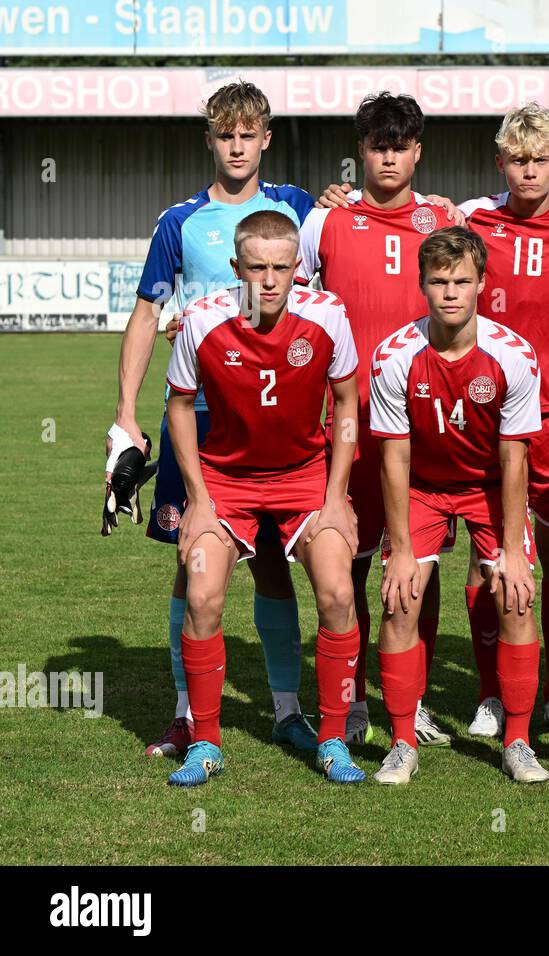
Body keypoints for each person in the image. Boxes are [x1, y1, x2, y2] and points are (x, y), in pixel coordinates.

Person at [107, 81, 319, 759]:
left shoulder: (298, 208)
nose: (236, 144)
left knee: (275, 565)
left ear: (265, 138)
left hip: (280, 419)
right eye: (224, 134)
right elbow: (147, 313)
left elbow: (343, 276)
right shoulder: (180, 221)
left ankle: (286, 711)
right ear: (210, 141)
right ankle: (185, 715)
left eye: (248, 133)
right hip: (195, 418)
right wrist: (123, 417)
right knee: (193, 562)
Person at [163, 210, 365, 786]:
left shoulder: (327, 315)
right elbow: (180, 406)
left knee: (337, 592)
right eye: (256, 268)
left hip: (304, 479)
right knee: (202, 597)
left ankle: (331, 739)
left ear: (298, 266)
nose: (270, 280)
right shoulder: (203, 321)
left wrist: (337, 495)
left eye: (281, 267)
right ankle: (205, 741)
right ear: (235, 267)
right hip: (227, 483)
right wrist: (199, 498)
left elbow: (347, 403)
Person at [295, 92, 457, 747]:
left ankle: (409, 699)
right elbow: (276, 293)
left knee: (420, 565)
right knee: (351, 564)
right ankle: (354, 698)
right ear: (361, 150)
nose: (388, 156)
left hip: (425, 428)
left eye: (400, 145)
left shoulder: (445, 221)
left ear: (417, 150)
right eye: (377, 144)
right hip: (347, 425)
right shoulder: (323, 222)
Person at [369, 226, 549, 783]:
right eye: (439, 281)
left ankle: (517, 741)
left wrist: (515, 549)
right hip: (422, 485)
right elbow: (394, 460)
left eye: (462, 281)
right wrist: (401, 551)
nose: (450, 292)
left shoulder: (513, 355)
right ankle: (402, 743)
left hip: (491, 485)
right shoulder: (394, 356)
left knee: (516, 598)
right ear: (422, 283)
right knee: (400, 600)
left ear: (481, 285)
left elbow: (515, 458)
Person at [456, 103, 549, 739]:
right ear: (501, 161)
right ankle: (492, 693)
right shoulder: (472, 218)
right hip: (485, 415)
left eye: (540, 159)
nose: (528, 170)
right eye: (517, 159)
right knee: (487, 556)